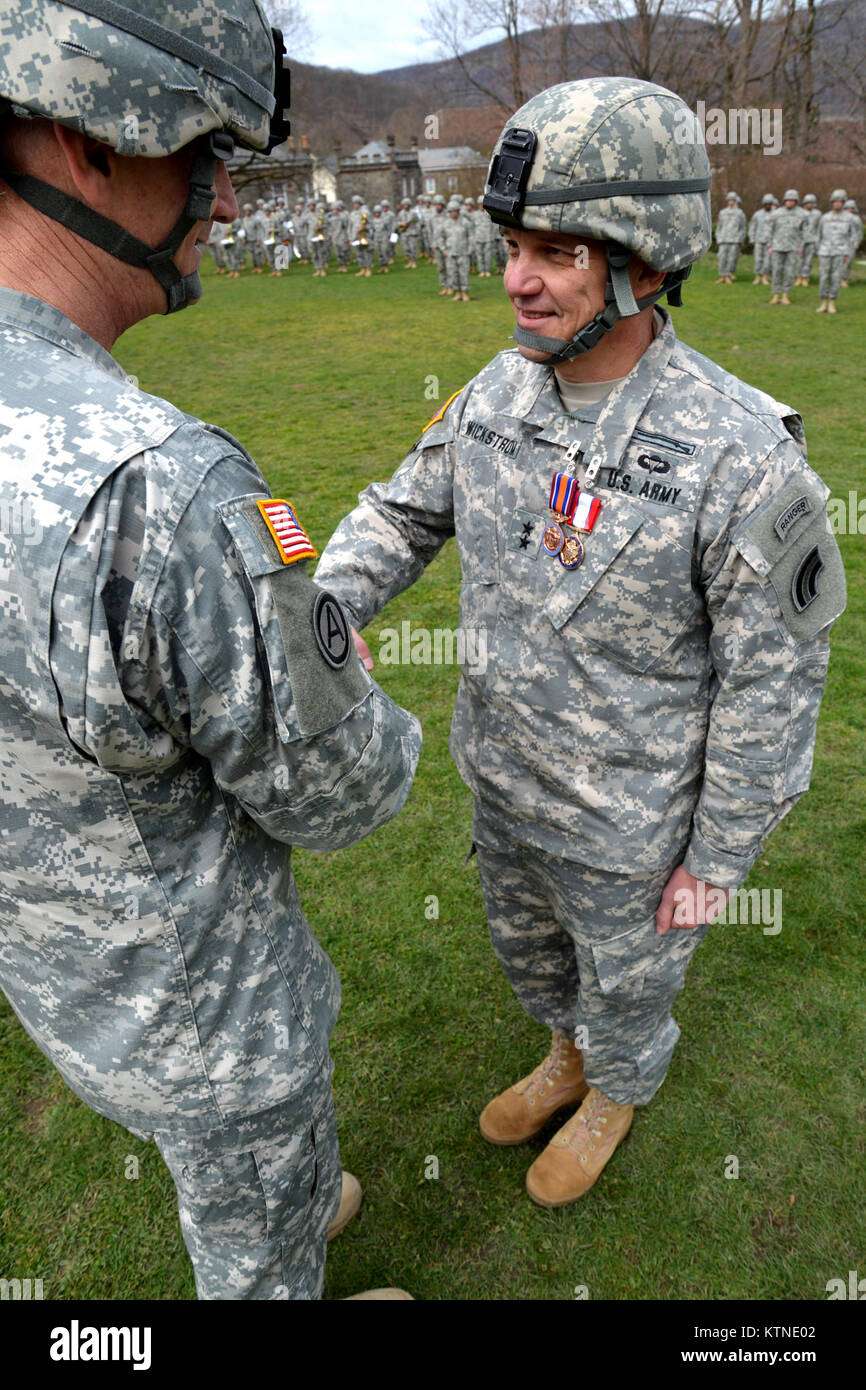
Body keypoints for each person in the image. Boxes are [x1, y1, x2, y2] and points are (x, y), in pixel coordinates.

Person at [315, 76, 846, 1208]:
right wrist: (329, 609)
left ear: (644, 264)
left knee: (626, 987)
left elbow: (772, 685)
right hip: (505, 787)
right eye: (513, 245)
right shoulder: (496, 391)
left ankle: (614, 1088)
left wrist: (716, 861)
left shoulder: (740, 455)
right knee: (535, 962)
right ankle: (563, 1055)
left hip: (637, 829)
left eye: (556, 252)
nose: (516, 279)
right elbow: (403, 511)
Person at [0, 0, 420, 1298]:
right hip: (209, 1024)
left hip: (60, 977)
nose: (225, 207)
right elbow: (344, 785)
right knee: (258, 1253)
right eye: (205, 157)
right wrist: (320, 622)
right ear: (88, 144)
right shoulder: (171, 494)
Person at [816, 190, 853, 314]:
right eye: (835, 201)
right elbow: (819, 235)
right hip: (825, 251)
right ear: (832, 202)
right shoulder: (825, 217)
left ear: (843, 203)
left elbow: (851, 237)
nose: (837, 204)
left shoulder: (849, 218)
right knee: (824, 278)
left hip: (840, 252)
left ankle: (832, 302)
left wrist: (848, 252)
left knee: (836, 278)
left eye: (840, 202)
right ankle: (823, 302)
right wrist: (819, 251)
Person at [769, 189, 804, 305]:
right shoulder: (776, 213)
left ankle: (785, 295)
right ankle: (775, 295)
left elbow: (804, 232)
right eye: (788, 200)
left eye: (792, 200)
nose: (790, 202)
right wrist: (770, 245)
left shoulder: (802, 214)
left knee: (789, 272)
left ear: (796, 201)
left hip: (793, 247)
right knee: (776, 271)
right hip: (777, 246)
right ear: (784, 200)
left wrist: (801, 246)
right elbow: (770, 230)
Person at [714, 191, 746, 282]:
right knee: (721, 258)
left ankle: (727, 276)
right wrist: (718, 238)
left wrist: (740, 239)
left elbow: (742, 228)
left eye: (733, 200)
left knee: (731, 259)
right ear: (727, 201)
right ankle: (722, 276)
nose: (731, 201)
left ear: (735, 201)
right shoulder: (722, 212)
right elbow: (719, 227)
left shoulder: (740, 213)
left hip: (734, 240)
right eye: (729, 200)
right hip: (723, 239)